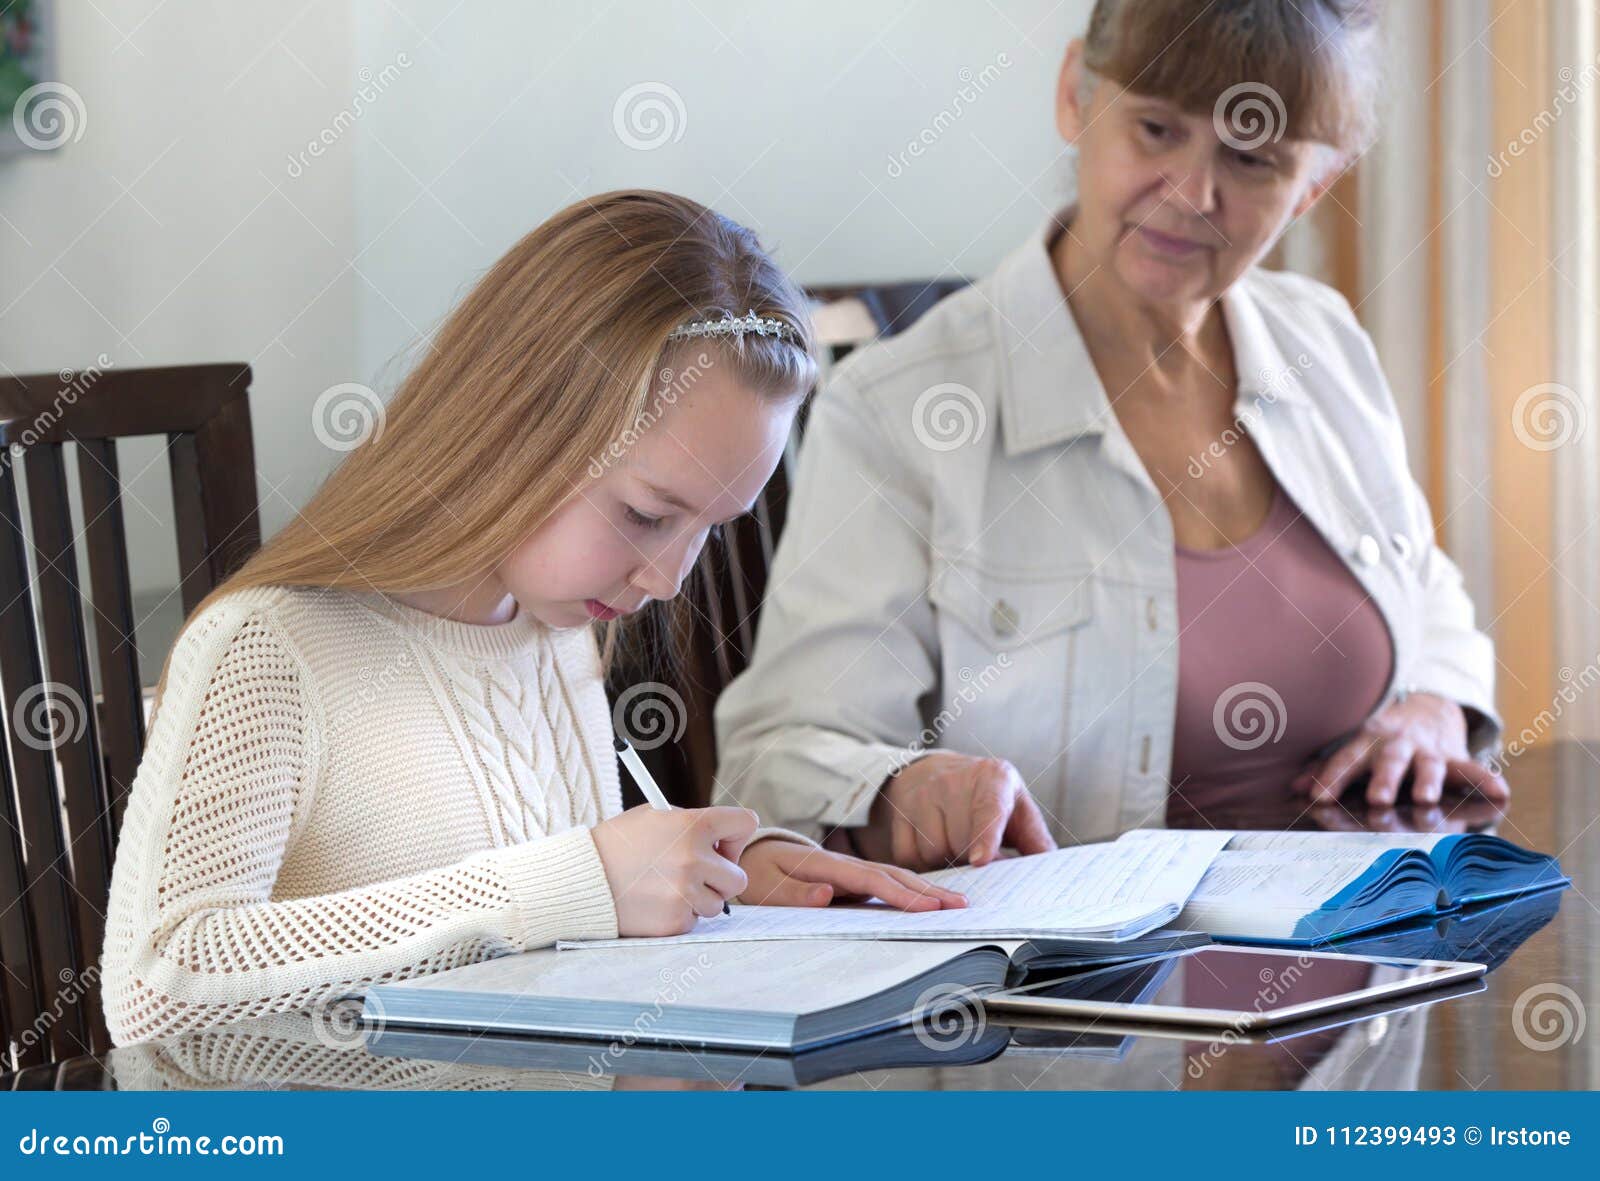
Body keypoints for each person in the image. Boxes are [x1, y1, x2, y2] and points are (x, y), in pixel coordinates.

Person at [101, 190, 964, 1046]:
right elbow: (155, 983)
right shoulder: (267, 649)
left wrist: (725, 886)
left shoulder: (554, 635)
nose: (668, 578)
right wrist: (578, 880)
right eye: (649, 513)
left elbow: (549, 952)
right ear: (522, 426)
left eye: (711, 527)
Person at [714, 0, 1507, 868]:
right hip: (1080, 987)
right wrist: (903, 792)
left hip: (1373, 956)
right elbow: (775, 767)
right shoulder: (896, 408)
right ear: (1075, 97)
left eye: (1251, 157)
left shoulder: (1324, 340)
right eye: (1157, 129)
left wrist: (1436, 698)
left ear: (1311, 186)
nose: (1190, 194)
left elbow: (1423, 582)